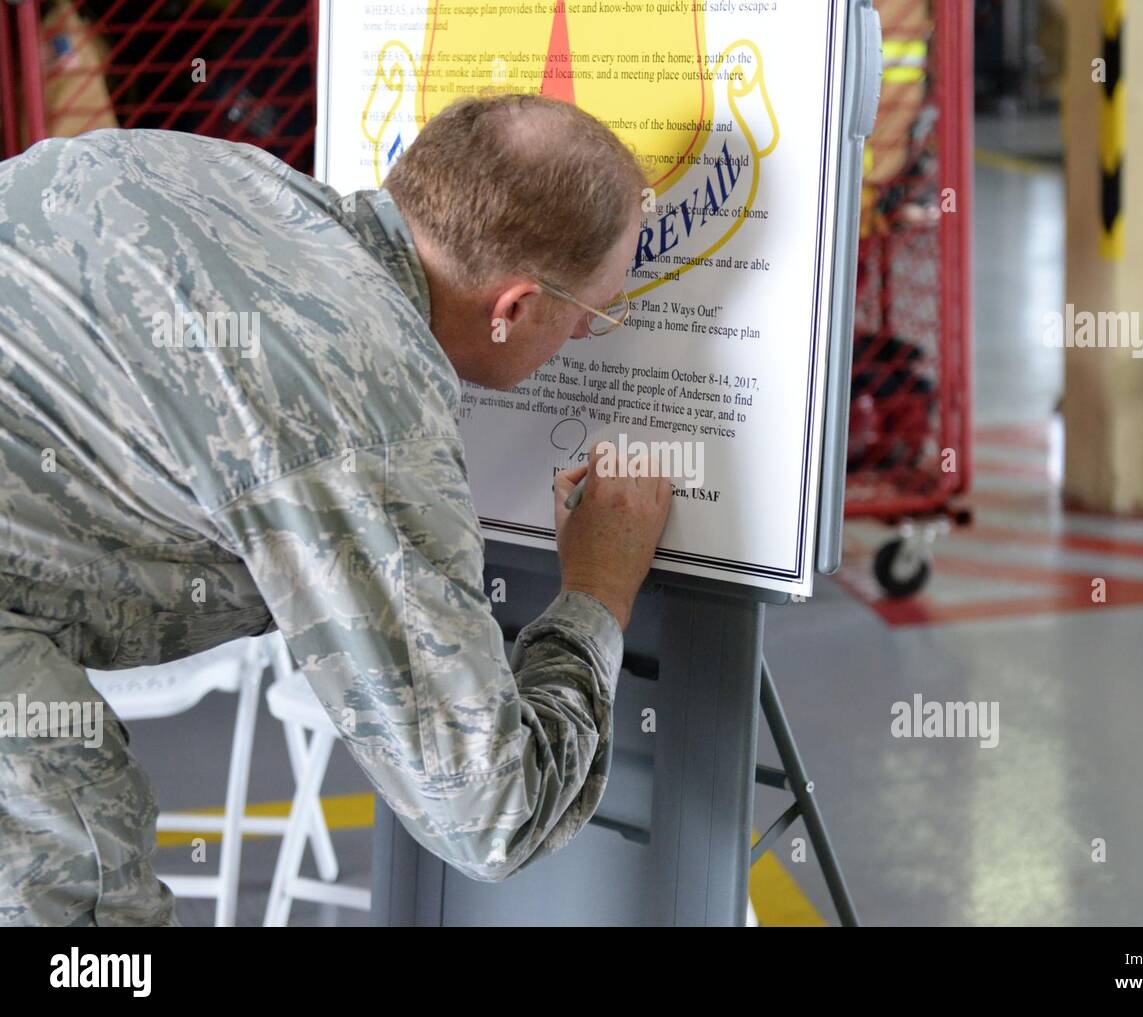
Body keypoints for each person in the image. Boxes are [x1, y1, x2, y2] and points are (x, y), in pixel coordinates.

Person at [0, 93, 672, 926]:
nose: (581, 339)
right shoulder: (367, 408)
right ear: (516, 308)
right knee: (81, 914)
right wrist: (600, 586)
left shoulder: (213, 171)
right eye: (594, 315)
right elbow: (491, 814)